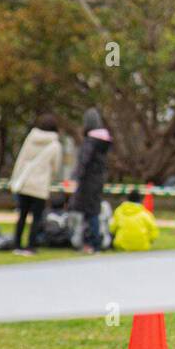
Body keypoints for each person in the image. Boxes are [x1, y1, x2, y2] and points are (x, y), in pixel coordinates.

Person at [8, 113, 62, 256]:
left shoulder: (30, 139)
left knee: (22, 216)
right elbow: (56, 167)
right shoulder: (55, 145)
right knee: (36, 218)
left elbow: (21, 159)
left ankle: (17, 244)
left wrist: (15, 178)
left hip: (24, 182)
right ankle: (31, 245)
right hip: (40, 185)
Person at [69, 107, 112, 254]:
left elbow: (84, 161)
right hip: (97, 180)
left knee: (89, 213)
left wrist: (76, 176)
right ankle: (94, 243)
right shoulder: (103, 142)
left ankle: (91, 243)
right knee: (93, 212)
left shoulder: (91, 141)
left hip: (88, 182)